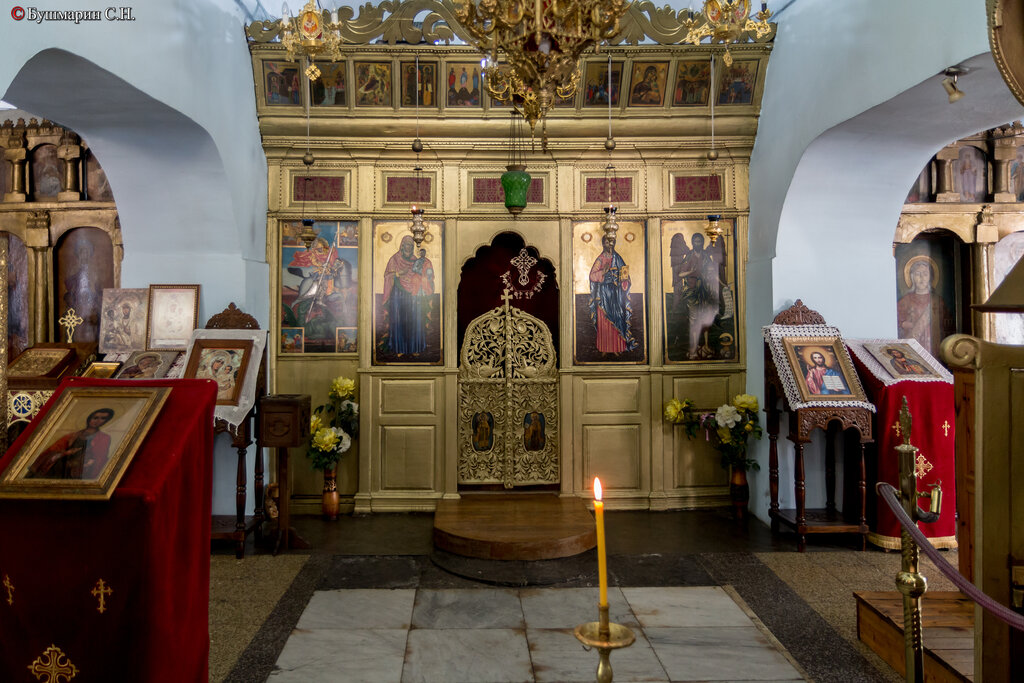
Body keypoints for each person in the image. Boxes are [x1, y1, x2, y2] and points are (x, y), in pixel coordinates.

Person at [26, 408, 115, 480]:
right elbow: (52, 450)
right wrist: (66, 453)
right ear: (89, 418)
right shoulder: (73, 435)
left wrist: (84, 463)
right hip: (60, 466)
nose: (98, 421)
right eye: (95, 418)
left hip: (81, 469)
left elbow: (99, 458)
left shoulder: (104, 438)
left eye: (103, 418)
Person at [382, 235, 434, 356]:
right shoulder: (394, 259)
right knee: (399, 320)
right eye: (406, 244)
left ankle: (414, 347)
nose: (408, 247)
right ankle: (399, 348)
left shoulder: (416, 260)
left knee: (414, 320)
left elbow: (422, 274)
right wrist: (398, 273)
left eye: (411, 245)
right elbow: (387, 276)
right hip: (398, 295)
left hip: (413, 295)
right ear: (401, 245)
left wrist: (426, 275)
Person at [674, 232, 722, 359]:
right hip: (693, 292)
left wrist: (721, 282)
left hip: (705, 292)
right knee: (694, 321)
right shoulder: (689, 257)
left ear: (702, 243)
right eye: (695, 241)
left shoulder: (706, 257)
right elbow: (680, 275)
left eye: (700, 241)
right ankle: (693, 349)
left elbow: (713, 271)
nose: (698, 243)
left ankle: (706, 346)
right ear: (692, 243)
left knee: (706, 320)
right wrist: (691, 271)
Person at [896, 259, 953, 358]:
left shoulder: (937, 300)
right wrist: (904, 324)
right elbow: (895, 321)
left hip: (933, 345)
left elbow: (948, 324)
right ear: (912, 277)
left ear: (930, 277)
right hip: (913, 346)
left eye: (925, 274)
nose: (921, 278)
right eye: (918, 274)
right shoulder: (905, 300)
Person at [588, 234, 635, 354]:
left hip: (616, 293)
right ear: (603, 244)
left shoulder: (618, 258)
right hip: (604, 293)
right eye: (608, 242)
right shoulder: (600, 259)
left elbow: (625, 275)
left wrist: (624, 282)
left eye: (612, 242)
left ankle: (618, 346)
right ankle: (605, 347)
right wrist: (603, 272)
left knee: (619, 316)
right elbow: (592, 276)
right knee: (604, 318)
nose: (610, 244)